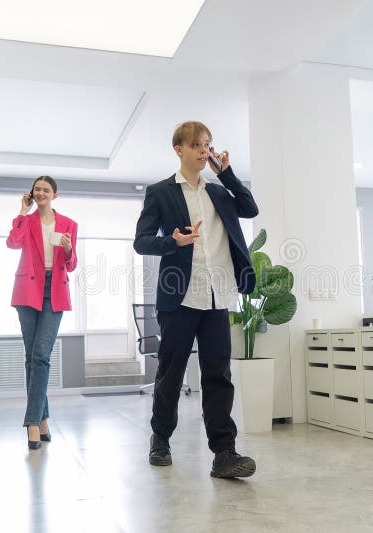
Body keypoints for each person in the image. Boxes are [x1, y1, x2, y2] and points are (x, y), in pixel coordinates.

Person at [133, 121, 259, 478]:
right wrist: (173, 241)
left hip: (218, 294)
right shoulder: (160, 192)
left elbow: (250, 208)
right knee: (171, 373)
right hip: (180, 296)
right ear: (179, 149)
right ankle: (160, 439)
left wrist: (229, 173)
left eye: (208, 145)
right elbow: (141, 241)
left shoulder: (220, 193)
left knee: (218, 374)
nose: (205, 151)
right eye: (197, 145)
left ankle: (224, 453)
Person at [6, 176, 78, 450]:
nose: (41, 193)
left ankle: (32, 422)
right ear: (32, 194)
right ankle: (43, 418)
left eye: (46, 189)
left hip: (55, 291)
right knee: (32, 356)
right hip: (27, 289)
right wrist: (22, 212)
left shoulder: (69, 224)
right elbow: (13, 243)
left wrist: (69, 248)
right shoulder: (28, 220)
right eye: (37, 189)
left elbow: (71, 265)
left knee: (40, 354)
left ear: (55, 195)